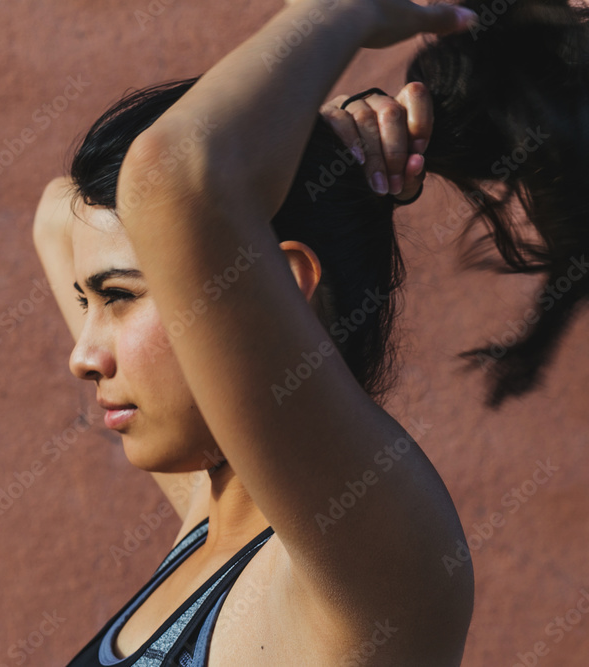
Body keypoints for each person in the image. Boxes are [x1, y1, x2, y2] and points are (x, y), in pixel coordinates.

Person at [31, 0, 589, 664]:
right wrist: (317, 142)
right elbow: (59, 214)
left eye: (118, 297)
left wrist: (345, 12)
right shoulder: (214, 519)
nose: (83, 355)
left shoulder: (368, 558)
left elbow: (171, 178)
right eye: (86, 301)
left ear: (288, 283)